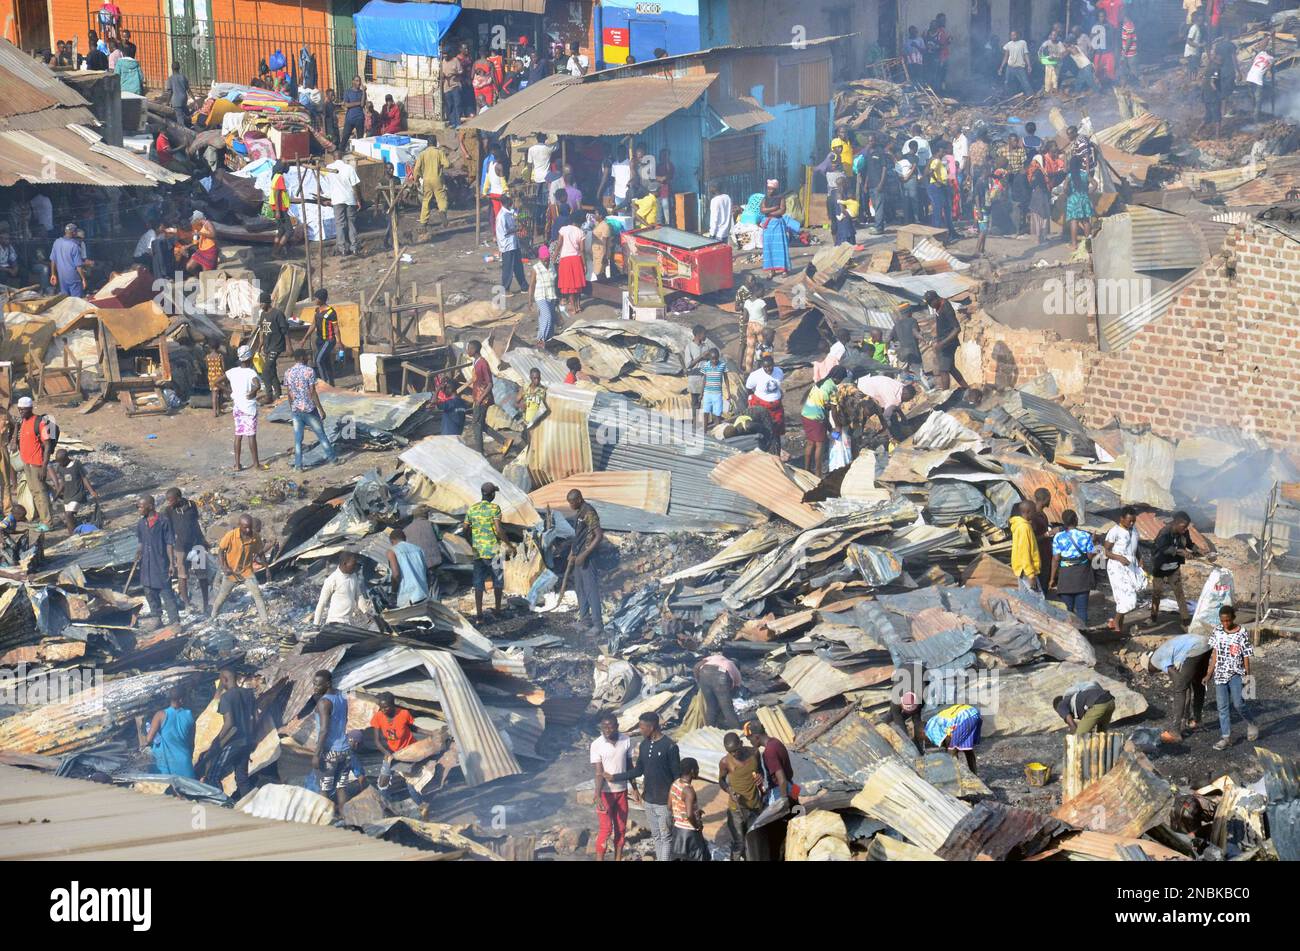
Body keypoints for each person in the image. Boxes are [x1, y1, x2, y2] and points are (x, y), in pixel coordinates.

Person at [1205, 605, 1259, 750]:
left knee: (1238, 704)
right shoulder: (1217, 631)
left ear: (1233, 618)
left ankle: (1252, 723)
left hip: (1236, 673)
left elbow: (1246, 654)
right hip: (1220, 674)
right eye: (1223, 621)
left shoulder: (1242, 632)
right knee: (1222, 707)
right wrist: (1209, 673)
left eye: (1228, 620)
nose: (1225, 624)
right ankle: (1225, 737)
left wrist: (1248, 675)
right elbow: (1215, 653)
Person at [463, 483, 513, 621]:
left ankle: (479, 614)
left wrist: (471, 542)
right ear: (492, 495)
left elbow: (464, 529)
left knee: (478, 582)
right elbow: (498, 529)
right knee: (497, 580)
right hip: (494, 550)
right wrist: (508, 544)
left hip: (478, 552)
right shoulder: (495, 509)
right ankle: (497, 610)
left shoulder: (472, 509)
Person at [589, 712, 634, 861]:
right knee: (606, 829)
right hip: (605, 793)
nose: (607, 730)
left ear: (617, 726)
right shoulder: (596, 744)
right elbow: (598, 772)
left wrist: (634, 788)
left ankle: (618, 858)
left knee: (621, 828)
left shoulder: (626, 740)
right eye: (604, 727)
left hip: (622, 791)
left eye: (611, 727)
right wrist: (597, 794)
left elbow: (629, 766)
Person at [1152, 632, 1212, 743]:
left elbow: (1179, 682)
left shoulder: (1156, 660)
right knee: (1198, 683)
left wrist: (1183, 685)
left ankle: (1175, 731)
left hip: (1196, 648)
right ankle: (1197, 721)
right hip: (1206, 643)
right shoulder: (1165, 650)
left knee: (1179, 689)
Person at [283, 349, 338, 469]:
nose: (308, 358)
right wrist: (321, 409)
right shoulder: (309, 371)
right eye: (307, 356)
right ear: (302, 358)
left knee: (298, 439)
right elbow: (312, 392)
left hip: (296, 410)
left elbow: (289, 393)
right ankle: (333, 459)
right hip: (309, 409)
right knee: (321, 435)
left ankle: (298, 466)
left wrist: (292, 408)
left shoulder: (288, 372)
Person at [206, 665, 256, 797]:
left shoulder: (226, 698)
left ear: (223, 679)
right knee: (242, 778)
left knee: (212, 775)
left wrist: (216, 741)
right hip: (247, 741)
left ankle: (220, 805)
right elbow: (253, 717)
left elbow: (229, 723)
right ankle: (248, 803)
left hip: (234, 742)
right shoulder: (248, 694)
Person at [211, 514, 270, 625]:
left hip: (247, 572)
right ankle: (213, 617)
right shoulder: (231, 536)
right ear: (239, 526)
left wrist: (267, 569)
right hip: (231, 573)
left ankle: (265, 622)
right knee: (222, 597)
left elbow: (260, 553)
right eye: (245, 527)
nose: (248, 530)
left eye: (249, 527)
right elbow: (220, 551)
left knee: (257, 595)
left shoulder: (255, 537)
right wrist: (224, 567)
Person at [1151, 511, 1205, 630]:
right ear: (1176, 523)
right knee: (1156, 593)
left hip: (1174, 567)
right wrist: (1181, 551)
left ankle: (1185, 621)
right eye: (1183, 526)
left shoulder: (1184, 532)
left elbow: (1190, 544)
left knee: (1179, 593)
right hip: (1160, 567)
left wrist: (1199, 550)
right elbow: (1163, 548)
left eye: (1187, 527)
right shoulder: (1164, 533)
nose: (1185, 529)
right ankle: (1153, 618)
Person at [135, 495, 182, 629]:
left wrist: (172, 563)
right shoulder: (141, 523)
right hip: (146, 563)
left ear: (150, 506)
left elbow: (169, 543)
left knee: (166, 592)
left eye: (140, 507)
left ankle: (175, 621)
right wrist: (138, 552)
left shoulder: (163, 521)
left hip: (160, 562)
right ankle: (157, 618)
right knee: (149, 591)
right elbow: (140, 541)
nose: (139, 509)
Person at [717, 732, 762, 860]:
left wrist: (760, 777)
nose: (734, 754)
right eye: (730, 752)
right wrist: (729, 789)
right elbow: (721, 780)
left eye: (735, 751)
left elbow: (760, 771)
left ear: (741, 744)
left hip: (754, 806)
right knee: (739, 843)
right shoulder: (725, 762)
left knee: (753, 841)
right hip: (736, 809)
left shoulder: (754, 753)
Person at [163, 487, 208, 613]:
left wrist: (203, 540)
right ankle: (187, 604)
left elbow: (195, 523)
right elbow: (169, 531)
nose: (169, 503)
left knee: (202, 576)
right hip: (181, 547)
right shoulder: (168, 511)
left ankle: (206, 604)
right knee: (183, 576)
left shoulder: (191, 505)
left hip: (196, 545)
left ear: (178, 498)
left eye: (171, 500)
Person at [566, 489, 605, 635]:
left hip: (588, 558)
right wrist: (572, 552)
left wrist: (585, 554)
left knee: (590, 589)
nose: (570, 505)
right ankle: (585, 621)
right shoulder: (579, 512)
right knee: (580, 588)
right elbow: (578, 536)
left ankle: (597, 624)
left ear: (579, 499)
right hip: (578, 557)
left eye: (571, 502)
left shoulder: (589, 512)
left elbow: (599, 535)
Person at [312, 669, 352, 810]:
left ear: (328, 683)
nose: (315, 688)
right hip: (346, 750)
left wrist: (317, 754)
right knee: (341, 787)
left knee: (324, 788)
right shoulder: (341, 697)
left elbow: (324, 730)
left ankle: (325, 822)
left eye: (317, 684)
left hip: (330, 752)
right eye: (313, 684)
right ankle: (346, 818)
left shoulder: (324, 702)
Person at [14, 396, 55, 531]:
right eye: (20, 410)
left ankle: (48, 523)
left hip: (37, 464)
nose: (21, 412)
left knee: (41, 492)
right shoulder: (22, 422)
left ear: (30, 409)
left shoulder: (39, 423)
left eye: (24, 410)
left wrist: (44, 467)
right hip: (27, 463)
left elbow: (47, 445)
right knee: (35, 492)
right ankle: (43, 519)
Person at [1101, 506, 1144, 635]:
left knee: (1125, 596)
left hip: (1131, 566)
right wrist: (1119, 558)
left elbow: (1136, 547)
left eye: (1134, 521)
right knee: (1128, 597)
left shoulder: (1134, 530)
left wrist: (1140, 558)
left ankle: (1117, 625)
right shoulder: (1115, 531)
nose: (1131, 523)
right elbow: (1105, 551)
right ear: (1122, 518)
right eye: (1129, 521)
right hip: (1117, 567)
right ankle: (1115, 621)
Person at [224, 345, 265, 471]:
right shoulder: (251, 372)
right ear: (250, 358)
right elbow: (258, 384)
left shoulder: (232, 372)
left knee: (238, 435)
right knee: (251, 436)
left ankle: (237, 465)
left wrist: (230, 392)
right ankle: (256, 464)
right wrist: (253, 391)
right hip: (249, 408)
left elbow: (216, 382)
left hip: (237, 407)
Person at [1050, 509, 1095, 623]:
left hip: (1066, 577)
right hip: (1082, 576)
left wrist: (1052, 579)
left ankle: (1070, 635)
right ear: (1076, 520)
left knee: (1067, 611)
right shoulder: (1086, 536)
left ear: (1063, 522)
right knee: (1082, 610)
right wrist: (1094, 543)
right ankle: (1083, 634)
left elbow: (1056, 559)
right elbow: (1090, 557)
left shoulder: (1058, 537)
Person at [460, 339, 503, 455]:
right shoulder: (476, 362)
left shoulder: (482, 363)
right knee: (480, 424)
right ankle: (504, 441)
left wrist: (480, 399)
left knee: (476, 424)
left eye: (469, 348)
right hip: (478, 398)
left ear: (474, 350)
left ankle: (480, 451)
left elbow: (490, 384)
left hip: (483, 399)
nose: (467, 350)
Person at [141, 688, 195, 778]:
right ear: (181, 699)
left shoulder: (160, 715)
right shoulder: (189, 715)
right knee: (190, 789)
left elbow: (149, 738)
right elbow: (191, 742)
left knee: (165, 790)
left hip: (165, 763)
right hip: (184, 762)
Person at [801, 365, 844, 476]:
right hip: (816, 417)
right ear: (838, 378)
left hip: (806, 414)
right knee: (819, 445)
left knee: (810, 443)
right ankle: (818, 473)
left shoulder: (821, 382)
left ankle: (806, 470)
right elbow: (834, 412)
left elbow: (822, 402)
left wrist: (830, 427)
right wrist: (837, 426)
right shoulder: (833, 388)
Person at [370, 692, 417, 791]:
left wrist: (430, 732)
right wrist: (388, 754)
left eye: (386, 707)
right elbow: (377, 740)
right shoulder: (378, 716)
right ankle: (384, 802)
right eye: (381, 707)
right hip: (392, 752)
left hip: (409, 750)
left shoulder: (404, 714)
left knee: (412, 783)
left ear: (392, 705)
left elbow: (413, 728)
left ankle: (421, 801)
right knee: (382, 782)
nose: (383, 710)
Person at [314, 550, 373, 627]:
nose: (355, 567)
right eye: (353, 564)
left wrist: (366, 612)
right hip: (335, 622)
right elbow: (322, 603)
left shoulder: (353, 576)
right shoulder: (332, 580)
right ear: (344, 564)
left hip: (348, 622)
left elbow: (358, 595)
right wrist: (316, 625)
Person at [745, 720, 796, 804]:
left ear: (757, 737)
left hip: (782, 790)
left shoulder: (769, 751)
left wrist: (784, 802)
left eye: (750, 739)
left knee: (767, 814)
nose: (750, 742)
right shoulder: (775, 741)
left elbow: (781, 780)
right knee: (796, 811)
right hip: (792, 786)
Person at [925, 290, 967, 390]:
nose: (931, 306)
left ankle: (945, 395)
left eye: (931, 303)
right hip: (943, 342)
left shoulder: (946, 307)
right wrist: (937, 339)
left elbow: (957, 328)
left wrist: (942, 343)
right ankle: (967, 389)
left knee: (944, 370)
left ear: (936, 299)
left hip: (949, 344)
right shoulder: (939, 307)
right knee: (951, 369)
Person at [50, 447, 97, 534]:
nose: (59, 464)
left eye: (61, 461)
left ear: (66, 458)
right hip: (67, 496)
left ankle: (72, 535)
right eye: (58, 462)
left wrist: (91, 491)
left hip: (78, 494)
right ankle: (72, 533)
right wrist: (57, 495)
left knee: (69, 514)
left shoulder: (76, 464)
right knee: (68, 517)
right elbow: (62, 482)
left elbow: (84, 478)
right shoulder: (60, 468)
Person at [856, 375, 917, 443]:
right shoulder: (891, 400)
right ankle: (859, 437)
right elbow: (885, 419)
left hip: (872, 383)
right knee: (863, 416)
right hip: (864, 388)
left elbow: (896, 404)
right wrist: (891, 437)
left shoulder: (902, 386)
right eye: (908, 398)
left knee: (889, 415)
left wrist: (902, 416)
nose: (908, 400)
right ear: (905, 394)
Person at [669, 759, 709, 861]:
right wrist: (697, 826)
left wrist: (694, 812)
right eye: (697, 768)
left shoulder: (675, 783)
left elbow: (669, 806)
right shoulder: (689, 791)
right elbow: (689, 815)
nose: (698, 771)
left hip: (678, 830)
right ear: (692, 771)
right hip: (690, 832)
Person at [925, 702, 981, 773]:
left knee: (952, 750)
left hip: (965, 717)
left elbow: (947, 740)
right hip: (972, 713)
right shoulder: (934, 721)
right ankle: (974, 773)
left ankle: (955, 776)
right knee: (967, 749)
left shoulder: (931, 729)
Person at [745, 353, 785, 451]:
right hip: (762, 408)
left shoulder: (779, 372)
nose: (768, 369)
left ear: (773, 364)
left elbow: (779, 386)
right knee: (765, 431)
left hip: (776, 407)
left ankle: (777, 455)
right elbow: (749, 388)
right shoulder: (755, 375)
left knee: (777, 432)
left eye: (770, 366)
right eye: (765, 367)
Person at [255, 291, 290, 402]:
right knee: (272, 370)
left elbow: (285, 331)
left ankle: (269, 395)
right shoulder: (263, 314)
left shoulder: (277, 314)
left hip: (276, 346)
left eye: (261, 303)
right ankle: (278, 392)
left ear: (267, 302)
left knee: (265, 371)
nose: (260, 305)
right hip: (267, 346)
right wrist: (260, 346)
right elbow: (262, 331)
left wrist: (289, 346)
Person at [694, 653, 742, 729]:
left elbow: (696, 666)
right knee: (727, 708)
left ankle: (709, 731)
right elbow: (736, 689)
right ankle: (738, 731)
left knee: (711, 707)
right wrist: (727, 697)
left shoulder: (716, 657)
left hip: (704, 674)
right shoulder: (734, 668)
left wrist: (698, 681)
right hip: (721, 677)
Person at [325, 158, 361, 256]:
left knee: (340, 223)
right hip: (349, 199)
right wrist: (358, 200)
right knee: (351, 223)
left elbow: (325, 181)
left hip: (337, 199)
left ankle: (343, 248)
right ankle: (354, 247)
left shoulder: (328, 168)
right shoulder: (349, 168)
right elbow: (355, 186)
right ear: (343, 158)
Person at [386, 527, 429, 609]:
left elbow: (396, 575)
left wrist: (393, 593)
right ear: (405, 539)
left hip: (408, 598)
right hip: (424, 594)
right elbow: (426, 572)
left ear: (391, 541)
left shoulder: (392, 551)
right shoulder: (418, 549)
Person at [412, 137, 449, 231]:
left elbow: (416, 169)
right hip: (437, 179)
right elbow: (447, 165)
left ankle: (423, 222)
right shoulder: (439, 152)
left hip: (426, 180)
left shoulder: (422, 154)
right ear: (435, 143)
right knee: (441, 198)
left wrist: (416, 179)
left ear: (427, 144)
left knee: (426, 200)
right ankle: (442, 211)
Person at [759, 180, 795, 274]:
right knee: (769, 247)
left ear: (776, 189)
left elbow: (782, 210)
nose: (769, 191)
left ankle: (784, 270)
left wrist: (769, 212)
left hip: (778, 224)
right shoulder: (765, 198)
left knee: (780, 246)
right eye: (768, 189)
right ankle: (772, 270)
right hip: (768, 226)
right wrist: (773, 208)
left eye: (772, 189)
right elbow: (762, 210)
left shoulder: (781, 198)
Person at [310, 288, 341, 387]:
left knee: (318, 360)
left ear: (321, 299)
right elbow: (313, 324)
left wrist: (339, 341)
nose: (315, 300)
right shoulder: (317, 310)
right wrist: (304, 338)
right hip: (319, 340)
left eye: (316, 298)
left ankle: (324, 384)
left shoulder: (331, 312)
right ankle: (332, 384)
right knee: (326, 362)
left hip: (329, 340)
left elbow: (336, 328)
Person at [1010, 500, 1042, 593]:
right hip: (1027, 570)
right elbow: (1024, 552)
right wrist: (1031, 575)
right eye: (1034, 512)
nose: (1035, 514)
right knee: (1037, 601)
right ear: (1028, 512)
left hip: (1022, 569)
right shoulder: (1024, 528)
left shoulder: (1019, 525)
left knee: (1026, 600)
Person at [555, 214, 585, 313]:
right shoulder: (580, 232)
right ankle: (579, 305)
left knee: (570, 285)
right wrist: (584, 264)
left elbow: (559, 244)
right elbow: (582, 250)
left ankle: (573, 307)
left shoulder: (563, 229)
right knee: (577, 284)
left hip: (565, 259)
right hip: (576, 259)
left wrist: (554, 256)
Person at [50, 222, 88, 298]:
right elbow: (78, 266)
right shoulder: (74, 246)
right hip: (73, 276)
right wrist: (83, 279)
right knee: (76, 301)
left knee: (65, 300)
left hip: (62, 276)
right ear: (74, 233)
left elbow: (53, 260)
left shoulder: (57, 242)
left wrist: (53, 274)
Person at [697, 349, 728, 428]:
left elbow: (726, 379)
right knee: (706, 413)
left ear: (718, 357)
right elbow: (704, 379)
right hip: (707, 394)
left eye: (716, 358)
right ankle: (705, 432)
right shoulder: (706, 365)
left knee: (717, 415)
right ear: (709, 358)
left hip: (717, 394)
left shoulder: (722, 365)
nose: (714, 360)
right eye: (712, 359)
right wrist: (701, 393)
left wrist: (729, 392)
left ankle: (717, 432)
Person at [1246, 41, 1274, 120]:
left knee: (1253, 98)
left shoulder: (1260, 54)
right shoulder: (1271, 58)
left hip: (1249, 77)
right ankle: (1256, 119)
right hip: (1258, 79)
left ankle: (1254, 112)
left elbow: (1253, 62)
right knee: (1258, 100)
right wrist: (1269, 72)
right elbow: (1269, 67)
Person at [1000, 30, 1032, 95]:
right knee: (1007, 83)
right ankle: (1008, 97)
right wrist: (1001, 67)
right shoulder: (1008, 44)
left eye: (1014, 35)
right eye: (1011, 35)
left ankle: (1031, 96)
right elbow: (1006, 57)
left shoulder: (1023, 43)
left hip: (1020, 67)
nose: (1013, 36)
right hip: (1010, 67)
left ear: (1017, 35)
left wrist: (1029, 65)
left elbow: (1026, 54)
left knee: (1025, 83)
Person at [341, 76, 366, 147]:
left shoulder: (362, 93)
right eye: (357, 81)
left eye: (359, 81)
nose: (359, 83)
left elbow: (362, 104)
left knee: (360, 139)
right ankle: (340, 152)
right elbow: (346, 104)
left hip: (360, 118)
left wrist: (364, 91)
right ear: (353, 82)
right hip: (350, 119)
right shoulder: (347, 92)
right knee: (345, 137)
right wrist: (358, 103)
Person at [1119, 14, 1139, 86]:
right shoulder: (1127, 24)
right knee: (1123, 69)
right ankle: (1123, 86)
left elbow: (1129, 40)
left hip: (1130, 53)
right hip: (1127, 52)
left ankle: (1144, 84)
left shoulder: (1128, 25)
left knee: (1134, 70)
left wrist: (1124, 52)